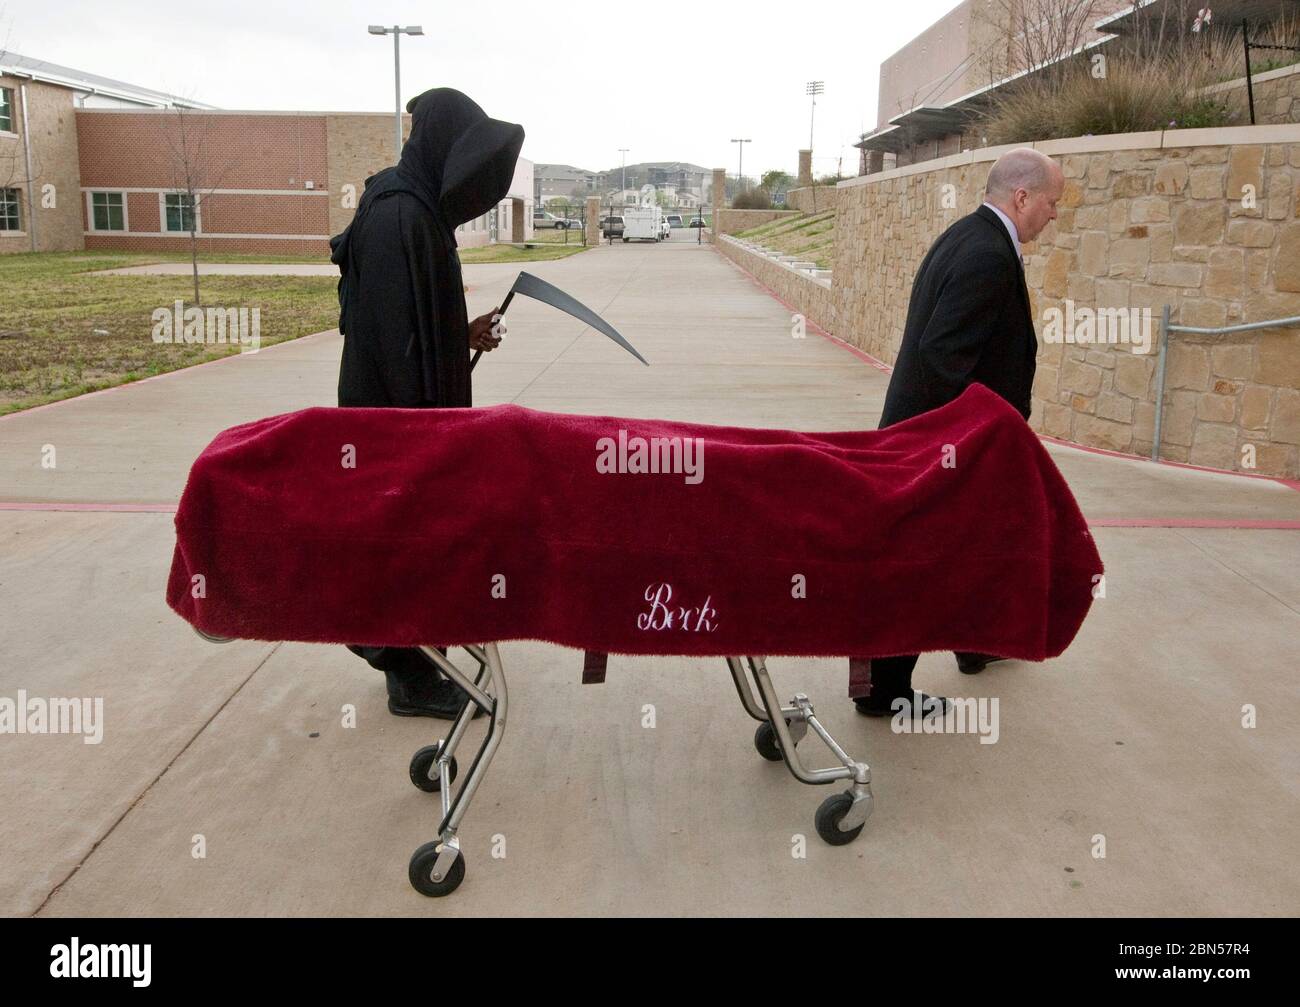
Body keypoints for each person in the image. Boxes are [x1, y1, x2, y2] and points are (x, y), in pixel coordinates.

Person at [329, 87, 524, 719]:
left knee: (419, 542)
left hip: (410, 414)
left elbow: (414, 325)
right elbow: (392, 345)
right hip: (395, 424)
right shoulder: (397, 216)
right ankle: (409, 676)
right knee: (404, 541)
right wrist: (425, 436)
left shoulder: (416, 209)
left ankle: (422, 655)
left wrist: (460, 337)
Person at [857, 147, 1064, 719]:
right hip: (940, 447)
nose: (1055, 215)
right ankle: (884, 690)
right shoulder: (987, 255)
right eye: (1052, 202)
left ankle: (976, 644)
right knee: (922, 563)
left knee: (980, 546)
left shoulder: (969, 236)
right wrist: (973, 442)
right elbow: (944, 357)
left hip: (937, 439)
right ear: (1022, 198)